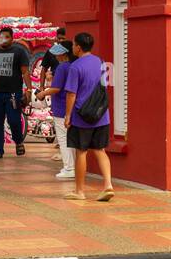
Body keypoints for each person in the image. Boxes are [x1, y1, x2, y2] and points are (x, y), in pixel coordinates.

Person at [64, 33, 114, 202]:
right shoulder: (100, 62)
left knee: (81, 152)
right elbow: (103, 86)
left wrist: (68, 115)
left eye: (73, 45)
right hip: (101, 115)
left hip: (81, 116)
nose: (72, 48)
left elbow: (71, 94)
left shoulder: (75, 67)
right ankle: (108, 185)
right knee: (100, 150)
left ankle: (79, 191)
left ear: (78, 47)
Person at [0, 25, 31, 159]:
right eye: (1, 37)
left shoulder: (19, 52)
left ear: (12, 38)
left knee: (14, 120)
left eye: (7, 37)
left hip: (13, 93)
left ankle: (19, 141)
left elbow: (25, 71)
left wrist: (29, 90)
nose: (3, 39)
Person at [37, 42, 74, 180]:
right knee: (71, 138)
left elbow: (57, 88)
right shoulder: (73, 66)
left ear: (63, 54)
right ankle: (73, 166)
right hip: (71, 106)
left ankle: (69, 168)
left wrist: (43, 93)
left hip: (60, 107)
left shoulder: (62, 67)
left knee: (63, 139)